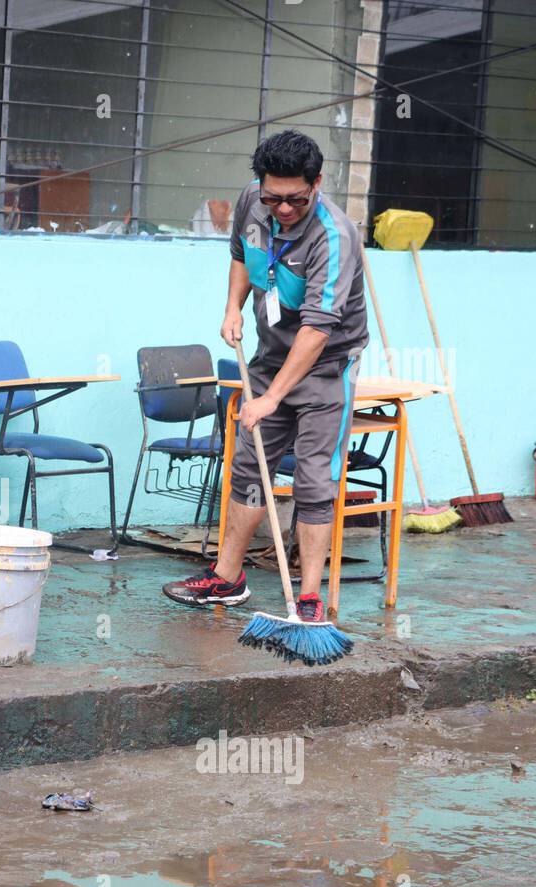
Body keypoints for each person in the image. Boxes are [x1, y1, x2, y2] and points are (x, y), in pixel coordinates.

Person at [165, 130, 368, 623]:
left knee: (314, 480)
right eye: (272, 196)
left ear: (316, 184)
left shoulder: (334, 237)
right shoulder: (252, 201)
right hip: (269, 356)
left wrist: (273, 398)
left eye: (294, 199)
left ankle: (310, 597)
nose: (281, 208)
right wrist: (233, 307)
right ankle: (227, 578)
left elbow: (318, 330)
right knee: (248, 471)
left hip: (325, 366)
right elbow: (241, 255)